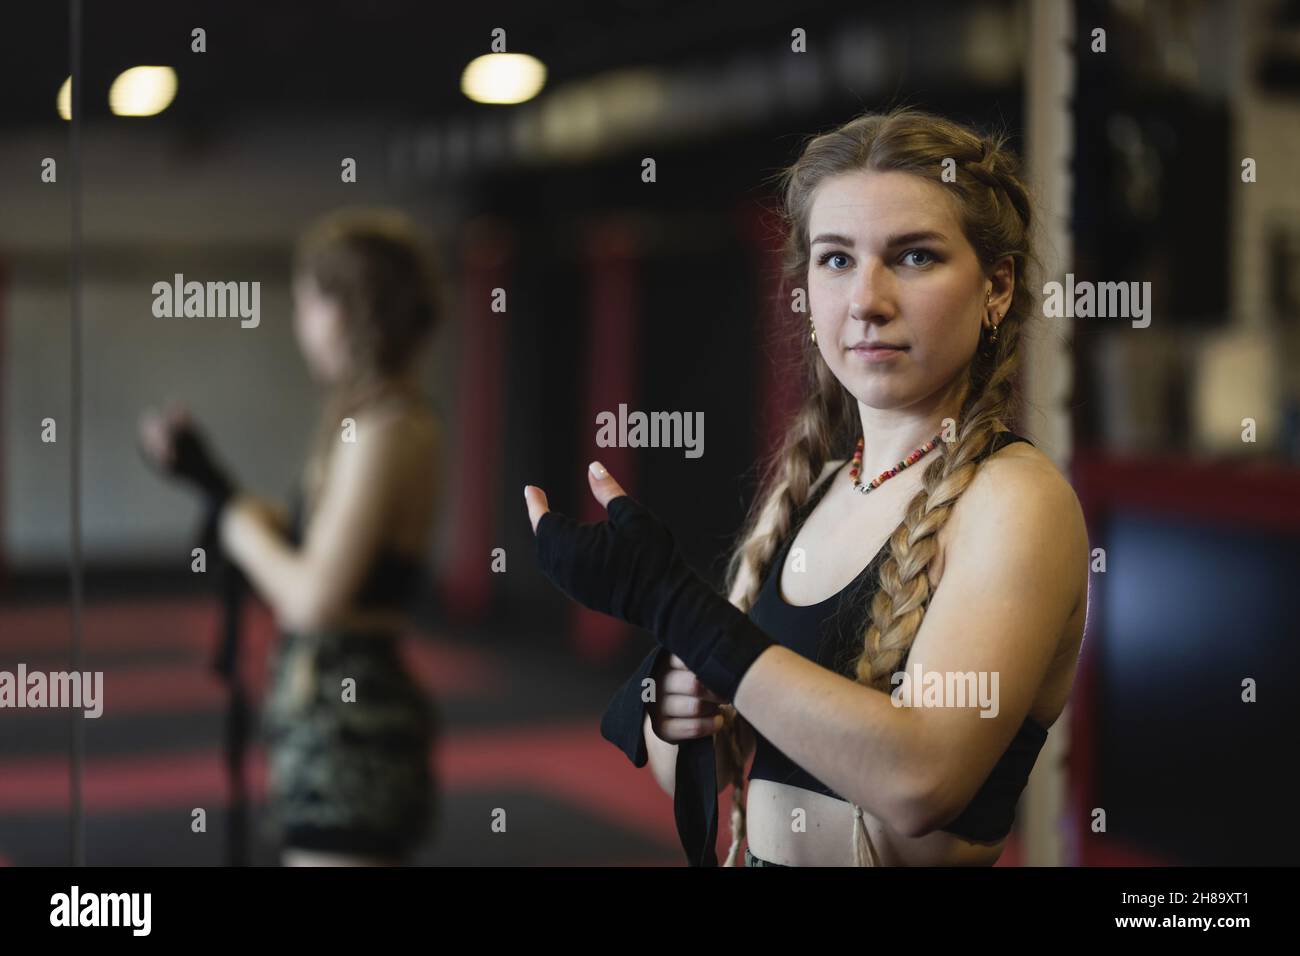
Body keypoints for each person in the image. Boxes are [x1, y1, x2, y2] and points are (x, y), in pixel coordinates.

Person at [523, 108, 1089, 867]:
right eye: (836, 260)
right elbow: (698, 764)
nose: (867, 300)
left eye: (915, 257)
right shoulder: (819, 488)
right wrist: (676, 703)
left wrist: (676, 610)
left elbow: (922, 780)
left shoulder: (1015, 500)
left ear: (996, 287)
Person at [139, 207, 444, 866]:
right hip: (337, 719)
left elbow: (311, 595)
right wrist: (209, 478)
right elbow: (312, 542)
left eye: (309, 303)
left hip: (351, 732)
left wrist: (234, 526)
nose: (301, 324)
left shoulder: (385, 427)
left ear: (347, 310)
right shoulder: (374, 420)